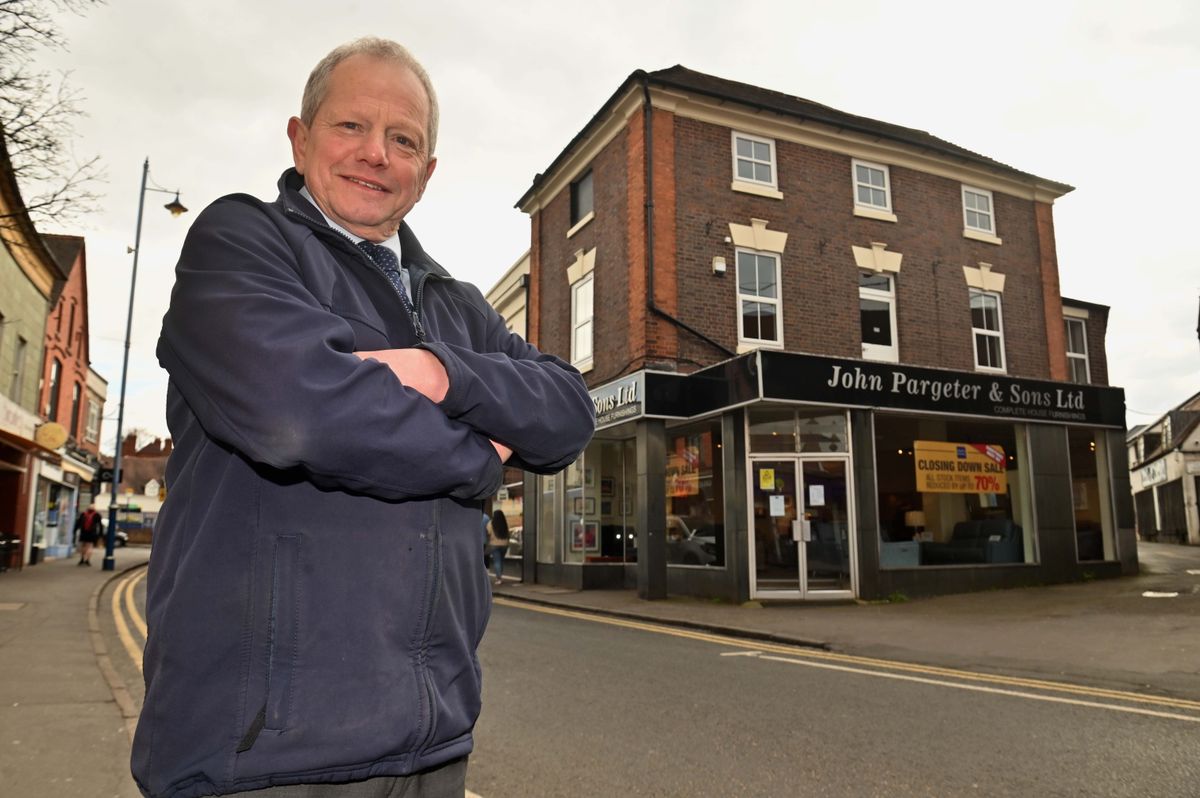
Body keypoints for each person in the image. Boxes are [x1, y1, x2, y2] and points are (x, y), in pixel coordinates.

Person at [131, 37, 594, 798]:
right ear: (300, 136)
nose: (376, 154)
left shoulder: (457, 306)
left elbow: (569, 412)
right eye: (351, 127)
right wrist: (485, 456)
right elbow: (300, 414)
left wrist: (434, 370)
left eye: (403, 139)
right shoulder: (241, 243)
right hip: (260, 758)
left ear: (427, 171)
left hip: (433, 744)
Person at [485, 509, 510, 585]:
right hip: (504, 544)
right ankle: (500, 576)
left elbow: (488, 532)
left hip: (494, 544)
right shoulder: (505, 523)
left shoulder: (491, 523)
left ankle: (498, 578)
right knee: (501, 561)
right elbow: (508, 534)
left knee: (497, 561)